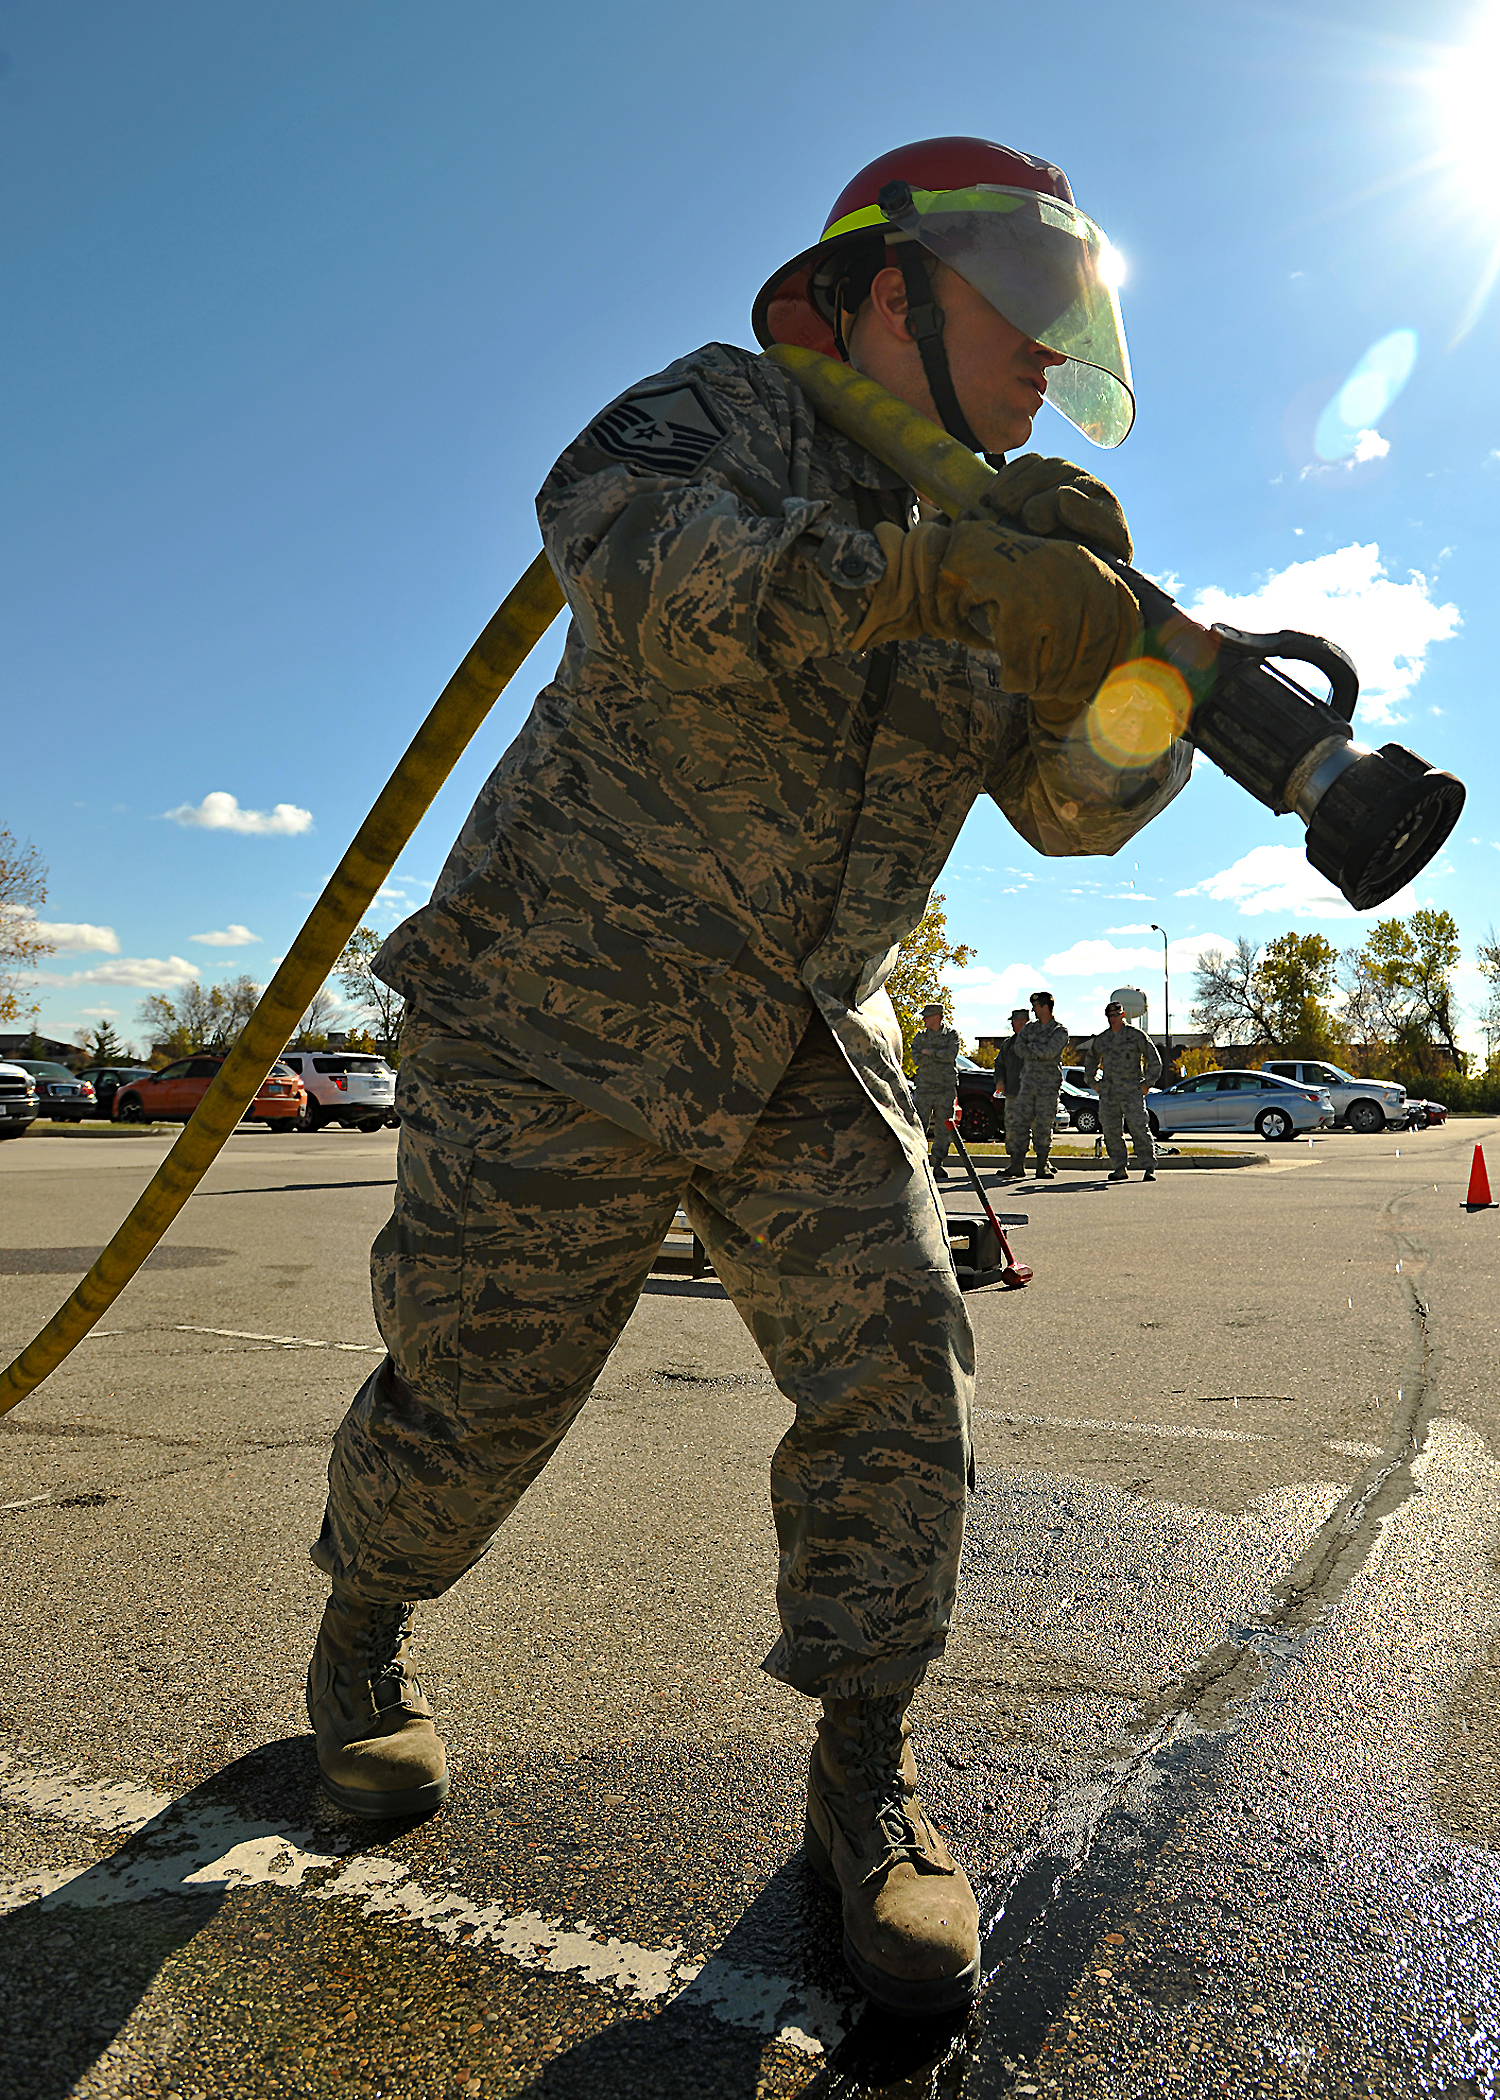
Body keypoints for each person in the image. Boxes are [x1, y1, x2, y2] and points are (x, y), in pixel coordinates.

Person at [305, 135, 1189, 2018]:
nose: (1048, 354)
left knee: (899, 1372)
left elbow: (1069, 815)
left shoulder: (1017, 534)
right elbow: (650, 572)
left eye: (1069, 320)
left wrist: (1138, 680)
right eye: (1014, 307)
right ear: (884, 295)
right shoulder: (717, 414)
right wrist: (947, 574)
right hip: (561, 1014)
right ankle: (365, 1636)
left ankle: (862, 1772)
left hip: (805, 1033)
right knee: (475, 1401)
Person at [1081, 999, 1161, 1181]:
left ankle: (1149, 1167)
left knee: (1139, 1128)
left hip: (1132, 1091)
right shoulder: (1103, 1039)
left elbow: (1154, 1060)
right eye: (1110, 1016)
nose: (1113, 1019)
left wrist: (1147, 1083)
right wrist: (1093, 1083)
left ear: (1122, 1015)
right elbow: (1090, 1061)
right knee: (1111, 1131)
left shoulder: (1136, 1035)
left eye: (1116, 1015)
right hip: (1109, 1093)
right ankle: (1119, 1167)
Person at [1001, 991, 1070, 1179]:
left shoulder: (1059, 1031)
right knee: (1020, 1123)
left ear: (1045, 1007)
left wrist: (1031, 1048)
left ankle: (1042, 1165)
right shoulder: (1030, 1028)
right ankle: (1017, 1164)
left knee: (1043, 1125)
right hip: (1027, 1083)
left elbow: (1049, 1052)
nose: (1033, 1010)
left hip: (1047, 1087)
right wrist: (1036, 1049)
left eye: (1036, 1006)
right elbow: (1018, 1048)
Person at [911, 1002, 962, 1177]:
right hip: (924, 1087)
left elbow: (950, 1056)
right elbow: (917, 1059)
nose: (924, 1020)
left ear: (937, 1017)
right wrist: (935, 1055)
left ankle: (938, 1163)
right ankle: (919, 1162)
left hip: (945, 1088)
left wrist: (930, 1053)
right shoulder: (920, 1037)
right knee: (919, 1126)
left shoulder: (951, 1035)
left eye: (927, 1016)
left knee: (943, 1127)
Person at [990, 1007, 1031, 1147]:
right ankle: (1014, 1161)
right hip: (1013, 1092)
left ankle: (1042, 1162)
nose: (1014, 1025)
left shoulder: (1034, 1042)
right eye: (1013, 1022)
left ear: (1025, 1022)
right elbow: (999, 1064)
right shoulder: (1008, 1044)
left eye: (1017, 1021)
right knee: (1012, 1127)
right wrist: (1000, 1081)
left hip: (1033, 1093)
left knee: (1038, 1129)